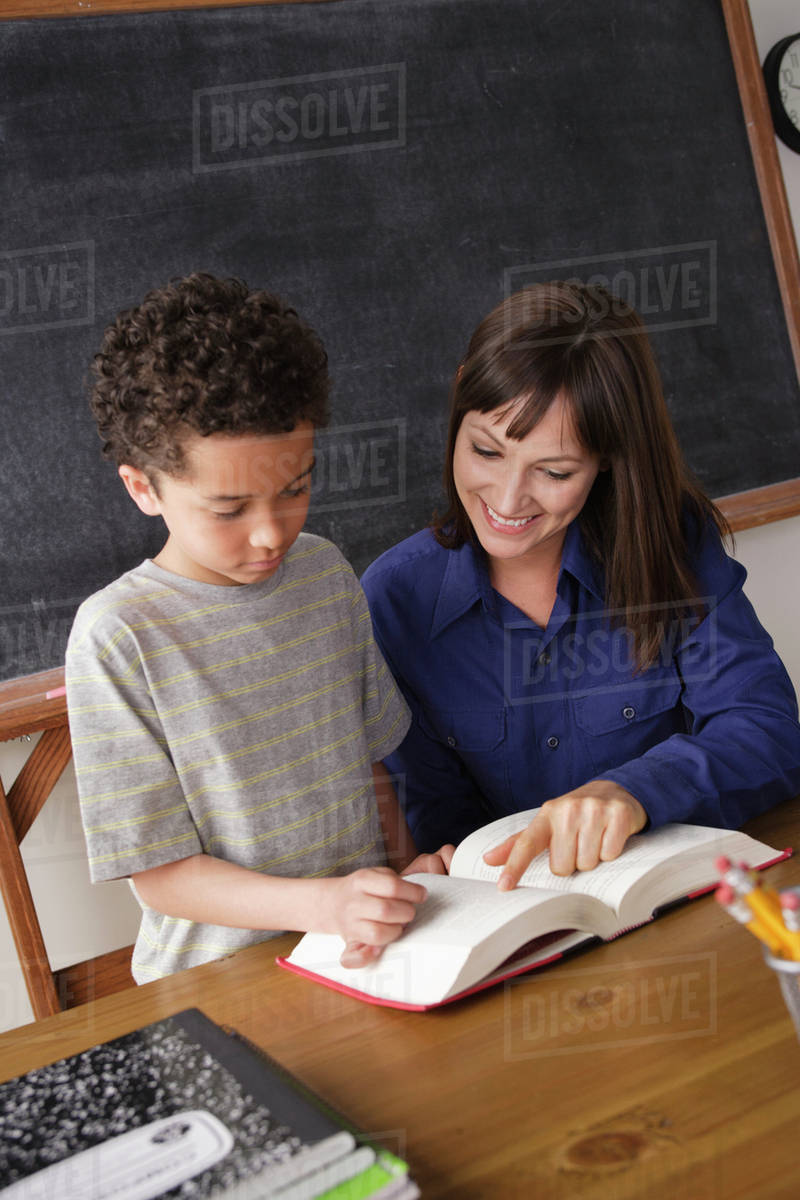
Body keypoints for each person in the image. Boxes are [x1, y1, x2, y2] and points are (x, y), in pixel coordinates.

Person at [65, 272, 451, 982]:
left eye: (295, 489)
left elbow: (367, 764)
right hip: (219, 981)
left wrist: (403, 873)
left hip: (361, 956)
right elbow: (160, 875)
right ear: (143, 487)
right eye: (229, 509)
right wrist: (324, 906)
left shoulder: (325, 574)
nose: (272, 533)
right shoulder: (120, 635)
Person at [361, 281, 800, 889]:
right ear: (460, 396)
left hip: (682, 897)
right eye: (486, 451)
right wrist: (434, 863)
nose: (508, 499)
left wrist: (633, 790)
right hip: (518, 916)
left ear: (609, 454)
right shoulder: (394, 601)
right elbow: (439, 826)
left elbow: (767, 729)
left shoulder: (672, 543)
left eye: (554, 471)